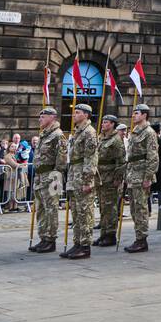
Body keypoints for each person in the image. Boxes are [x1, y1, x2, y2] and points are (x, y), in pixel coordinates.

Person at [61, 103, 98, 259]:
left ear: (86, 115)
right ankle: (77, 243)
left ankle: (85, 246)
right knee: (76, 212)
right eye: (74, 112)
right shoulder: (78, 132)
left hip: (83, 177)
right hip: (74, 175)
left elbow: (91, 158)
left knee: (85, 212)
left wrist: (88, 180)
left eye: (77, 112)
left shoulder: (89, 132)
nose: (74, 115)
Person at [29, 107, 67, 253]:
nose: (40, 119)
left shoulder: (58, 135)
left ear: (52, 117)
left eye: (43, 117)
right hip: (40, 177)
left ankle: (50, 240)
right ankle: (43, 237)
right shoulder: (44, 134)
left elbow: (61, 159)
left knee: (51, 209)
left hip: (52, 176)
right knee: (41, 209)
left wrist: (56, 177)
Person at [124, 104, 159, 253]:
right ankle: (138, 237)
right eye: (133, 113)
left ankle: (142, 240)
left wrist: (148, 177)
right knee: (133, 208)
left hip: (142, 174)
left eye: (137, 113)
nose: (134, 116)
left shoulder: (149, 132)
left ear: (145, 115)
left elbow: (152, 156)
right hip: (133, 174)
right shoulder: (135, 132)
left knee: (141, 209)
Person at [93, 114, 125, 247]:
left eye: (106, 122)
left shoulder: (116, 140)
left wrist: (118, 178)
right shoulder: (102, 138)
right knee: (103, 207)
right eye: (103, 122)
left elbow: (121, 161)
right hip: (101, 177)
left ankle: (110, 234)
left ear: (112, 124)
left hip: (110, 177)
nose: (103, 124)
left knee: (110, 207)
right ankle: (103, 233)